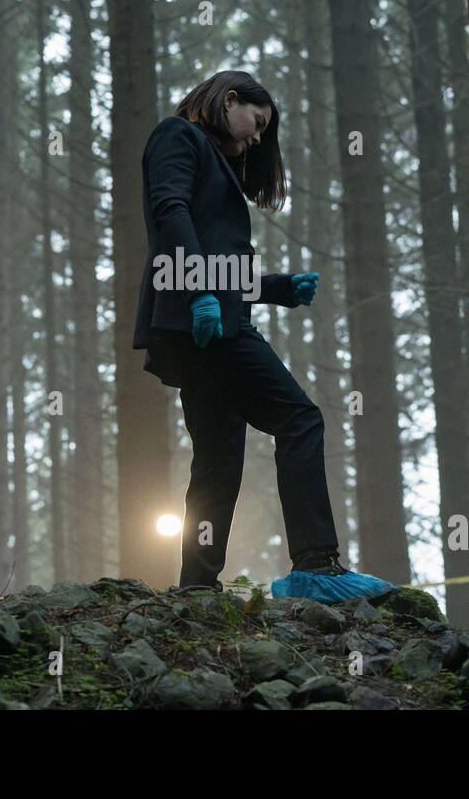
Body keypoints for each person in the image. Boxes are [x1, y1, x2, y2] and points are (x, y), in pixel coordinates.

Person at [133, 70, 396, 603]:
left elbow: (219, 257)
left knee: (218, 457)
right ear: (229, 99)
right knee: (299, 419)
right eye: (255, 123)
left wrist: (278, 288)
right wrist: (199, 292)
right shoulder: (177, 136)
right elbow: (170, 212)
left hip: (203, 322)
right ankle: (316, 566)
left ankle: (196, 588)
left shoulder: (215, 164)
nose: (255, 139)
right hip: (205, 321)